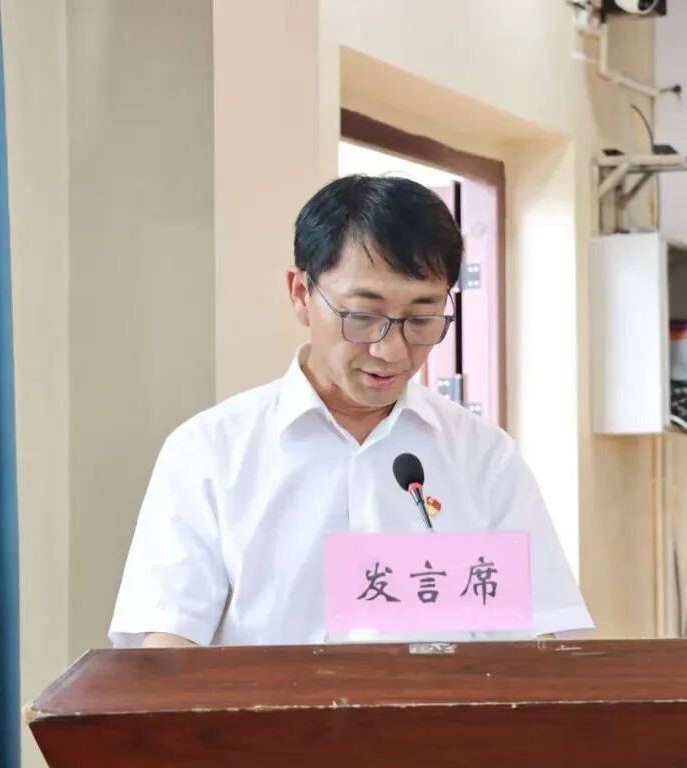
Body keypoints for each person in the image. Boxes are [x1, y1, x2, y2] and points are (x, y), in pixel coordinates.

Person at [109, 175, 593, 647]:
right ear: (301, 293)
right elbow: (169, 642)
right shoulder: (210, 451)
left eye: (421, 319)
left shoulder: (483, 457)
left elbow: (541, 640)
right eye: (363, 316)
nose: (392, 352)